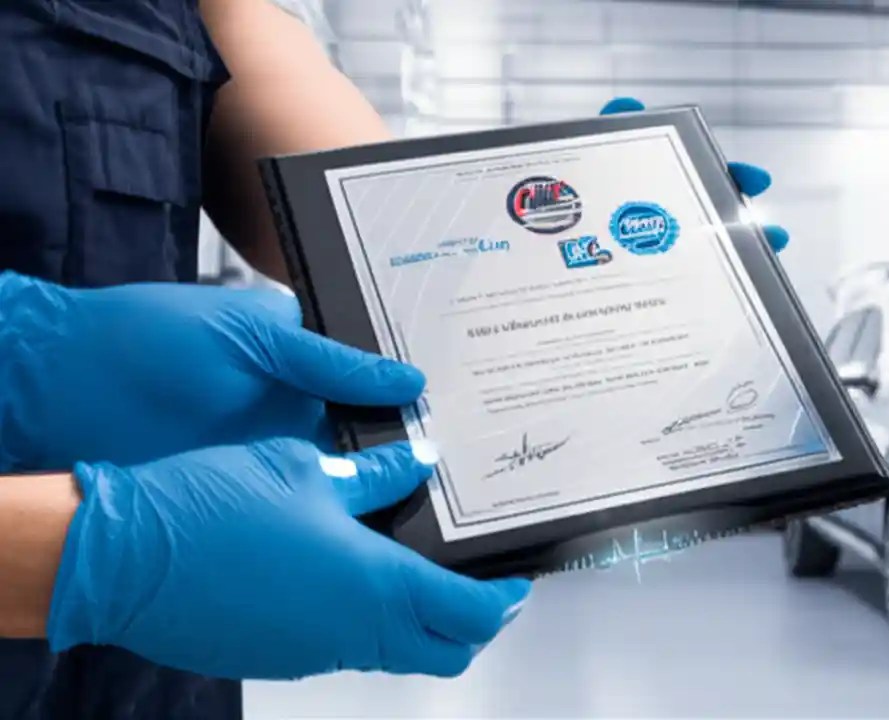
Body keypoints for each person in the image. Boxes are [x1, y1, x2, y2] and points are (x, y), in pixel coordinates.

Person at [0, 1, 792, 719]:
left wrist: (557, 240)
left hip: (149, 662)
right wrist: (96, 554)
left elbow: (377, 240)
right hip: (162, 563)